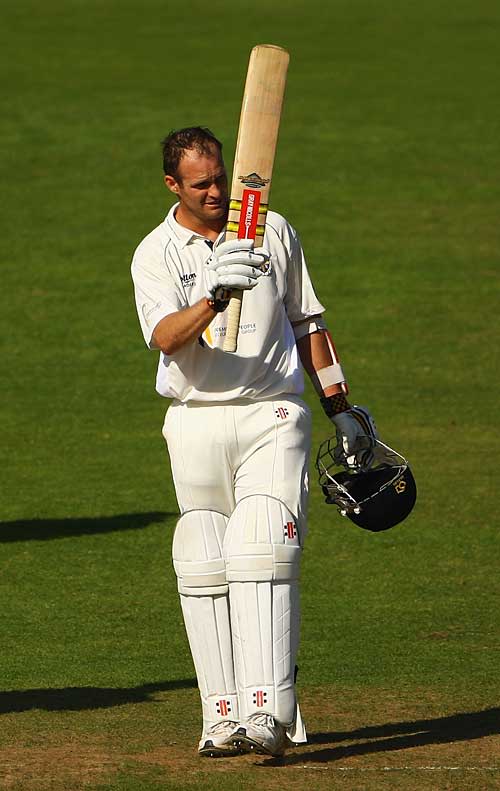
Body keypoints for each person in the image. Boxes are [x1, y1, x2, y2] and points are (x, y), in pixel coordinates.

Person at [131, 127, 372, 758]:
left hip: (272, 412)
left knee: (264, 541)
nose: (215, 192)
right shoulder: (155, 253)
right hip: (194, 417)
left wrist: (341, 408)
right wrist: (214, 296)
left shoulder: (272, 229)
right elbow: (165, 338)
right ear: (172, 185)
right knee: (204, 550)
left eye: (220, 178)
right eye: (200, 183)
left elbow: (307, 322)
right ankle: (221, 716)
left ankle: (269, 708)